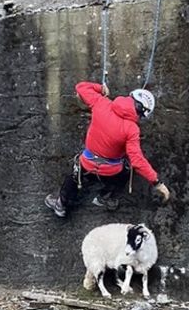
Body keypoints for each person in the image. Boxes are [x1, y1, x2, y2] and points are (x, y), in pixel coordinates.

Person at [45, 82, 171, 218]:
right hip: (111, 171)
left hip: (87, 162)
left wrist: (100, 88)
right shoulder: (132, 129)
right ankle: (105, 198)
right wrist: (157, 182)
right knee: (126, 172)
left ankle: (61, 204)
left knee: (74, 177)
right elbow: (137, 161)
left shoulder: (102, 103)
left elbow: (80, 88)